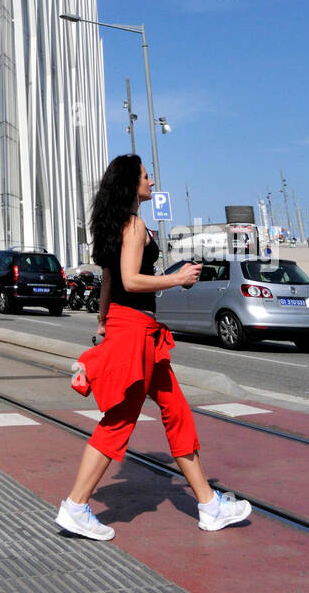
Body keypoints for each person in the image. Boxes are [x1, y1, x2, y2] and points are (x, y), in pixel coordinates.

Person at [57, 154, 251, 542]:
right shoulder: (133, 224)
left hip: (135, 329)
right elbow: (130, 279)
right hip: (135, 332)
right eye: (146, 176)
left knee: (176, 411)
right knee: (120, 421)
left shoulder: (115, 225)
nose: (151, 180)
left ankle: (208, 504)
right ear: (132, 185)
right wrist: (176, 278)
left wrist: (101, 321)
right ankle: (75, 506)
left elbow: (110, 279)